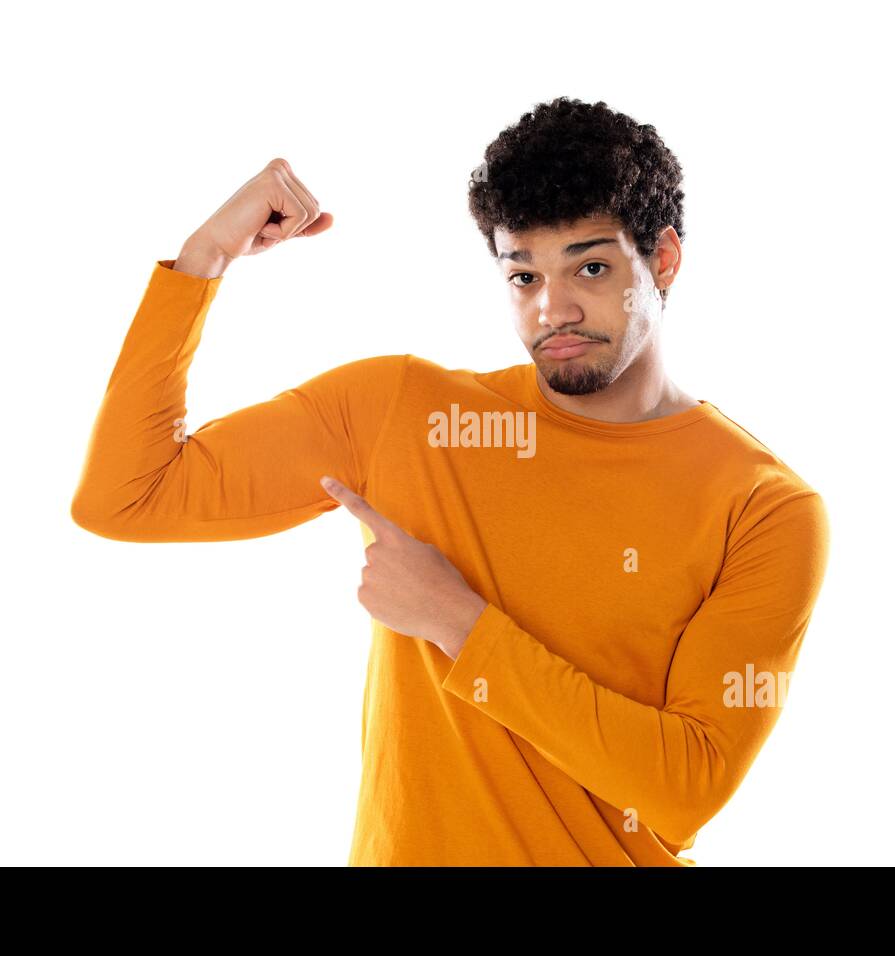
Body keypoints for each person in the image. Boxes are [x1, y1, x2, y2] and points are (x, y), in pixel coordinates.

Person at [71, 96, 831, 866]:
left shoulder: (764, 507)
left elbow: (683, 786)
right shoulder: (402, 410)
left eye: (591, 267)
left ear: (662, 260)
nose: (552, 308)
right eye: (523, 273)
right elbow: (124, 496)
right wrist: (206, 256)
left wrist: (456, 623)